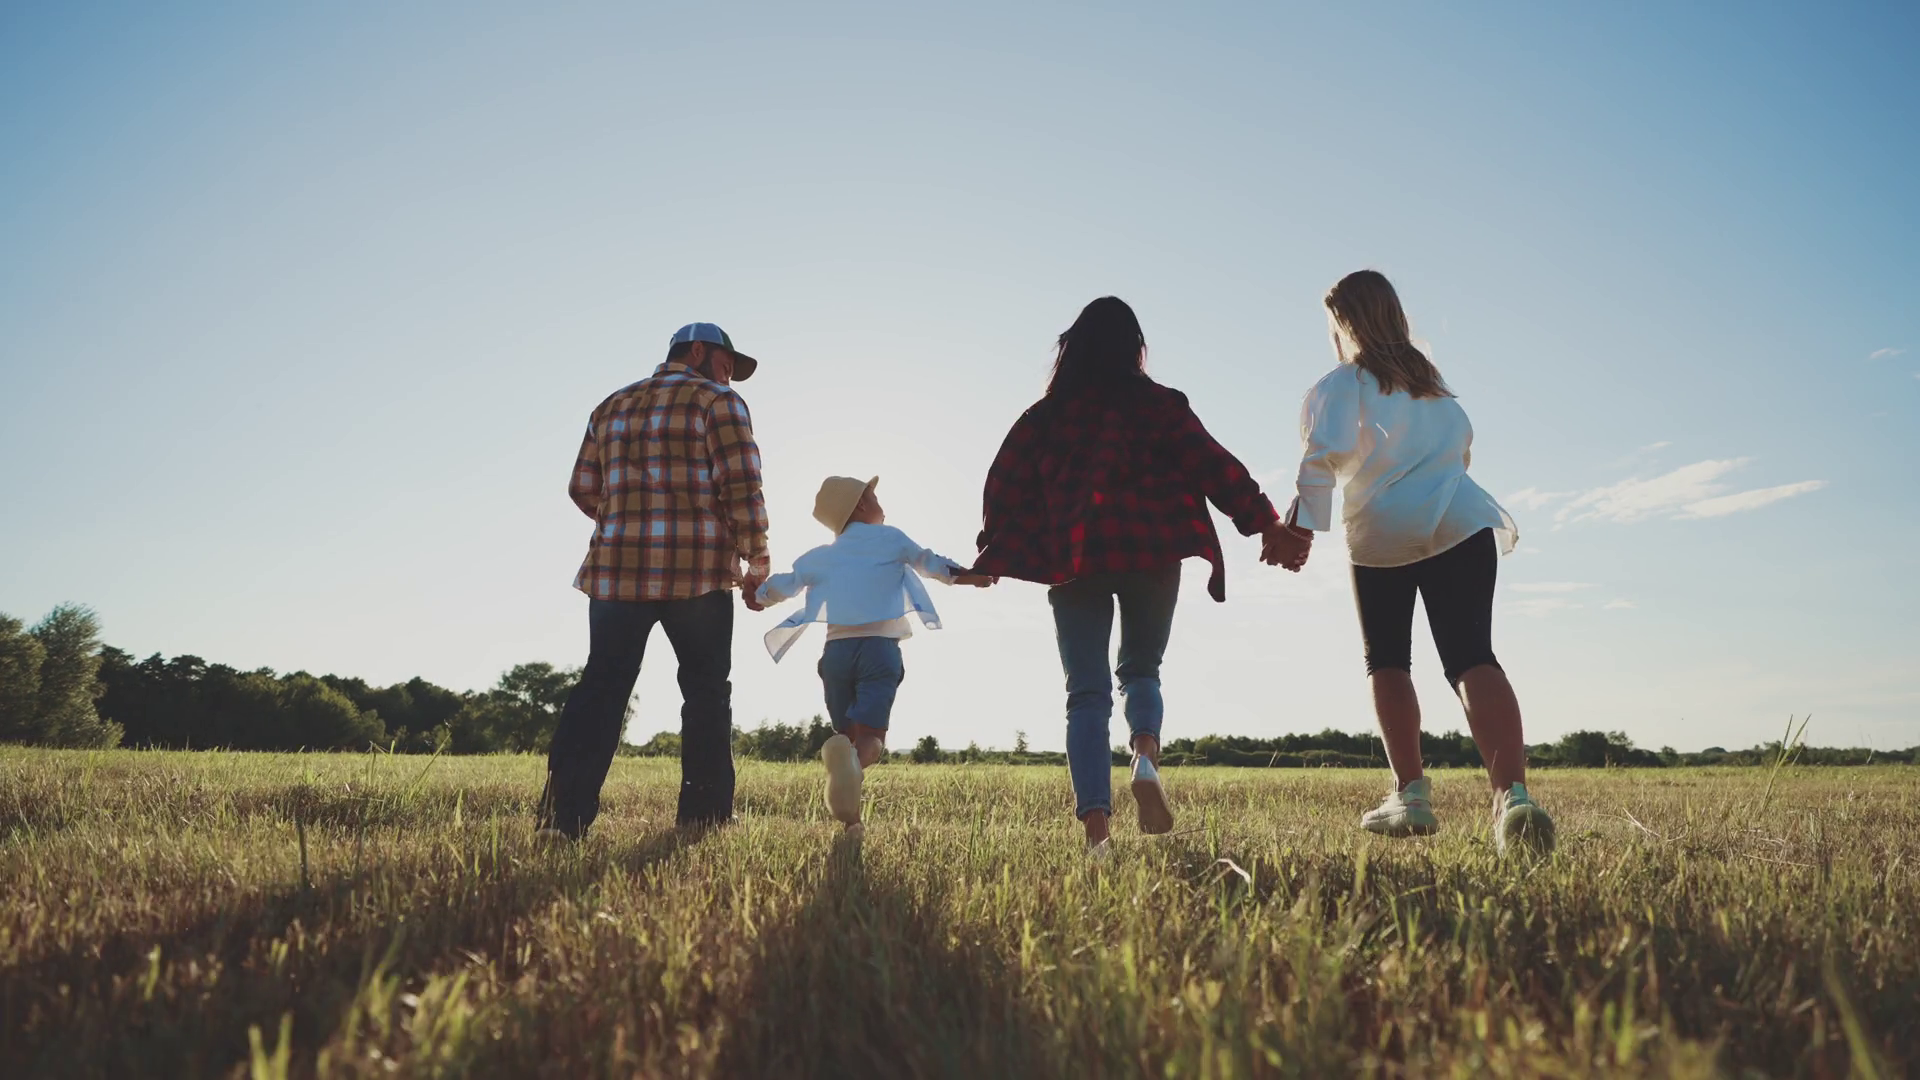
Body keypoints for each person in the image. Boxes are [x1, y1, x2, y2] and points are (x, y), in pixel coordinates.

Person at [974, 297, 1295, 855]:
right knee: (1142, 670)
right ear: (1135, 348)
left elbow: (1002, 486)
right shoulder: (1161, 405)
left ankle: (1098, 834)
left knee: (1086, 693)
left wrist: (993, 552)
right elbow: (1214, 464)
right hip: (1152, 551)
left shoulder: (1043, 417)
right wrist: (1264, 521)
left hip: (1075, 562)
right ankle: (1144, 754)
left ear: (1071, 351)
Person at [1268, 270, 1554, 857]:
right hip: (1462, 519)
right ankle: (1513, 796)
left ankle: (1411, 793)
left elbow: (1321, 460)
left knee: (1388, 660)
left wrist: (1300, 531)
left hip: (1384, 533)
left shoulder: (1341, 384)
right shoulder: (1433, 385)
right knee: (1474, 658)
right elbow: (1462, 448)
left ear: (1344, 324)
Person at [537, 322, 770, 840]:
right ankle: (704, 819)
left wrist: (627, 521)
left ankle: (562, 819)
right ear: (699, 351)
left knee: (601, 687)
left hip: (616, 574)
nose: (731, 377)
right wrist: (757, 562)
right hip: (700, 573)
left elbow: (582, 488)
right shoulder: (718, 403)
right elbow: (742, 486)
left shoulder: (610, 406)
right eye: (729, 364)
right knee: (706, 692)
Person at [756, 476, 994, 834]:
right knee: (870, 741)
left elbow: (782, 585)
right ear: (862, 505)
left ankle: (852, 822)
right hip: (879, 650)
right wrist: (974, 576)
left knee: (847, 736)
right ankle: (851, 766)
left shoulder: (821, 555)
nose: (880, 502)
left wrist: (757, 594)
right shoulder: (890, 538)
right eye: (874, 495)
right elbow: (931, 564)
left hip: (835, 654)